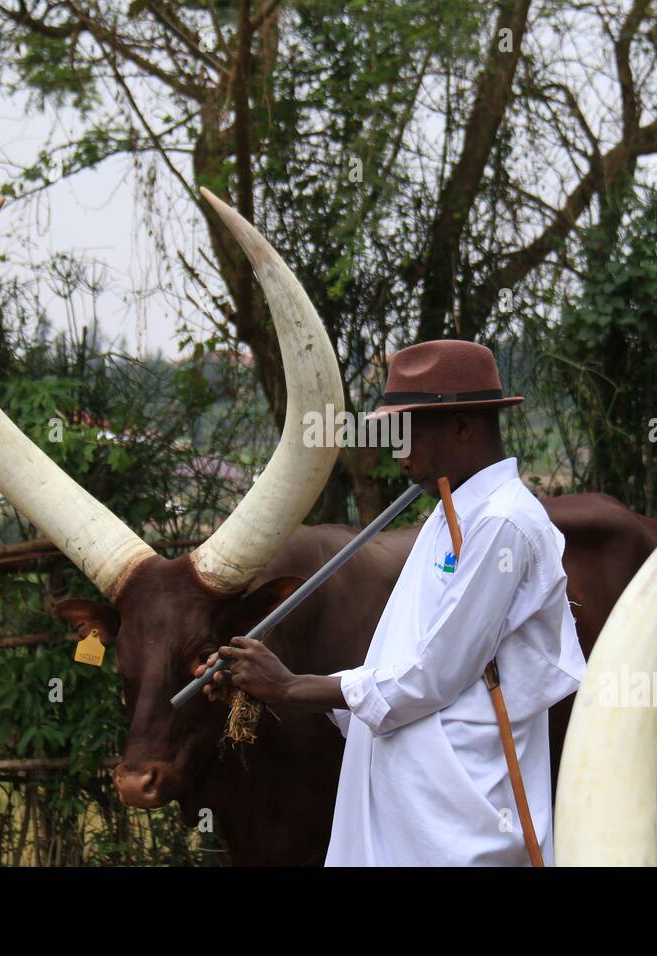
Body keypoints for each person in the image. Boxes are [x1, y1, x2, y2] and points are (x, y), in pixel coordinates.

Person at [196, 339, 586, 865]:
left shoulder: (502, 522)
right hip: (411, 810)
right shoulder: (447, 517)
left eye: (410, 437)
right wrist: (266, 686)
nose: (401, 458)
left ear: (463, 427)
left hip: (456, 821)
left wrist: (291, 686)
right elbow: (395, 670)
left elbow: (432, 676)